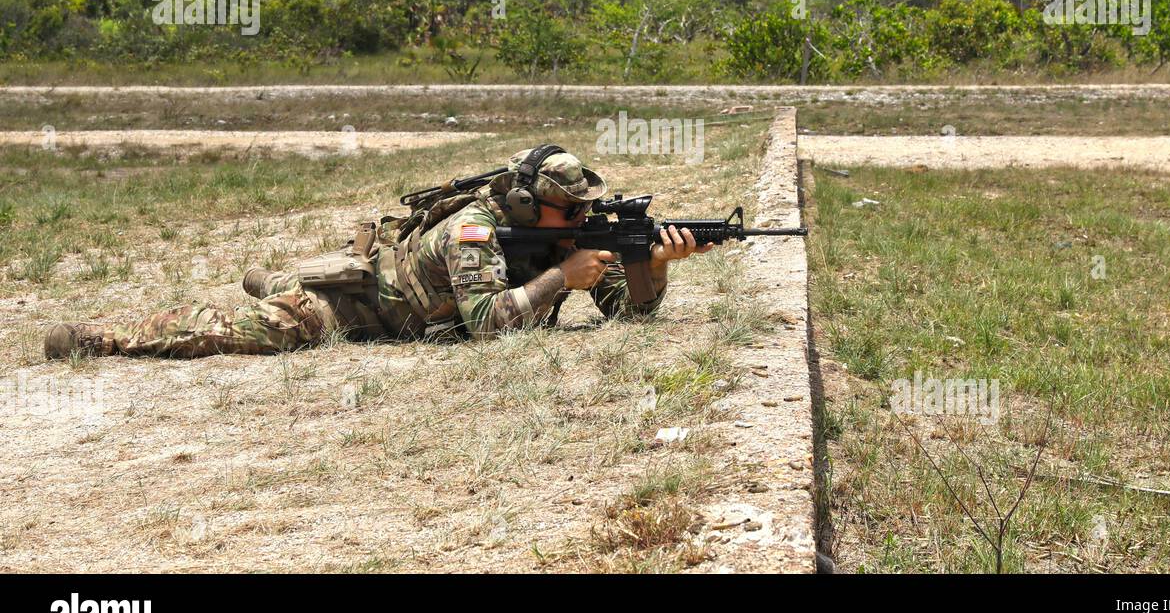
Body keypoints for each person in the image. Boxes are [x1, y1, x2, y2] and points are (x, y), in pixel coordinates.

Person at [43, 145, 713, 360]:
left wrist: (647, 266)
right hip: (358, 311)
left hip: (408, 311)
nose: (580, 222)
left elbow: (632, 317)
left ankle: (269, 276)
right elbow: (486, 325)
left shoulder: (565, 229)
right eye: (569, 212)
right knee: (233, 333)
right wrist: (560, 280)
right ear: (526, 203)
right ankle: (102, 336)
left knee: (271, 294)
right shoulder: (474, 231)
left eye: (585, 213)